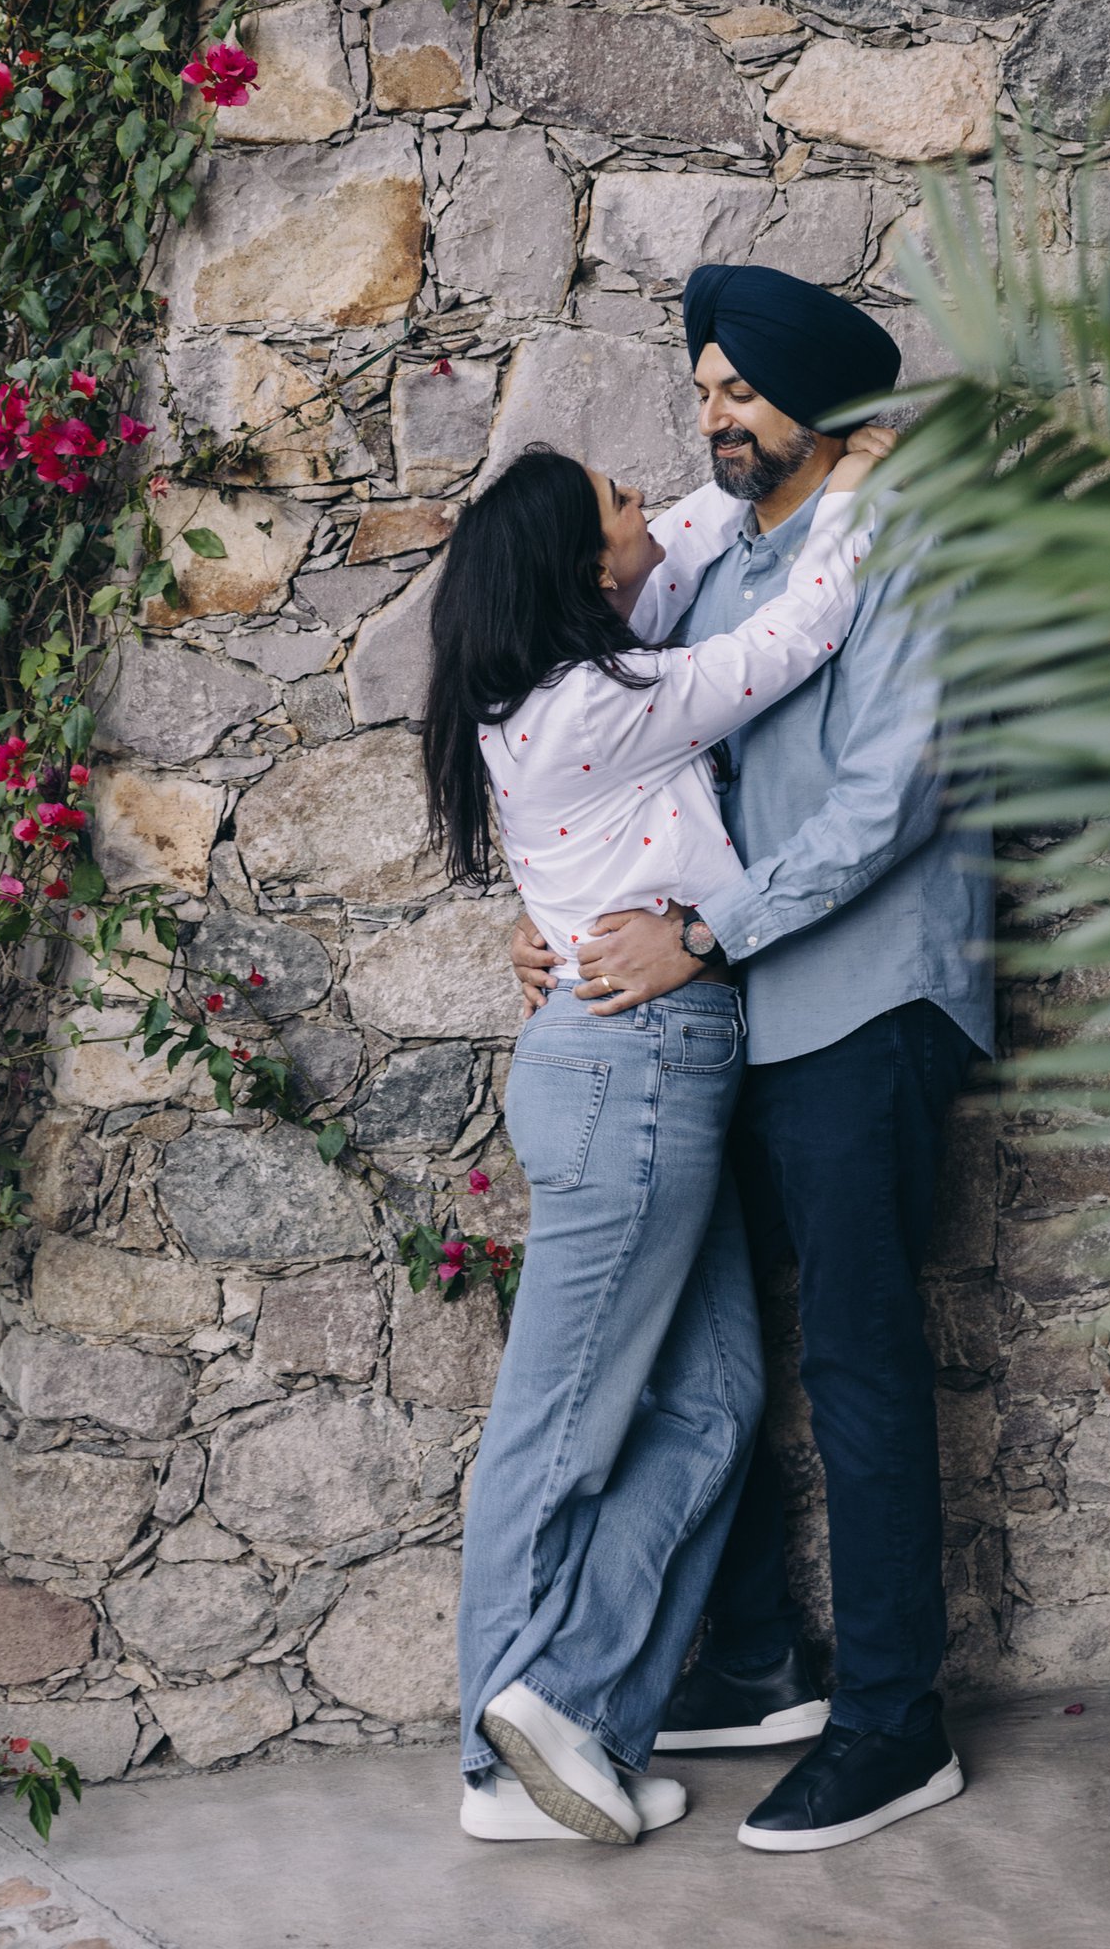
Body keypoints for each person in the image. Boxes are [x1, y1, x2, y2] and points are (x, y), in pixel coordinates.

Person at [511, 262, 995, 1857]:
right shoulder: (724, 572)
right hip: (733, 1016)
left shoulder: (906, 544)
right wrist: (570, 927)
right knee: (708, 1357)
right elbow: (631, 767)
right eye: (704, 389)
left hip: (862, 998)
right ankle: (753, 1662)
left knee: (855, 1356)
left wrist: (705, 937)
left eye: (741, 392)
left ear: (823, 407)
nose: (712, 417)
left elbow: (893, 798)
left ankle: (894, 1724)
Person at [422, 421, 894, 1846]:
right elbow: (794, 636)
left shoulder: (560, 683)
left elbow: (686, 540)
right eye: (621, 503)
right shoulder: (589, 703)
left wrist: (776, 452)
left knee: (710, 1410)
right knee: (556, 1434)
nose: (653, 507)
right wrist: (856, 494)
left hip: (649, 1074)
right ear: (583, 566)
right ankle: (499, 1764)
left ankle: (579, 1726)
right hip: (629, 1080)